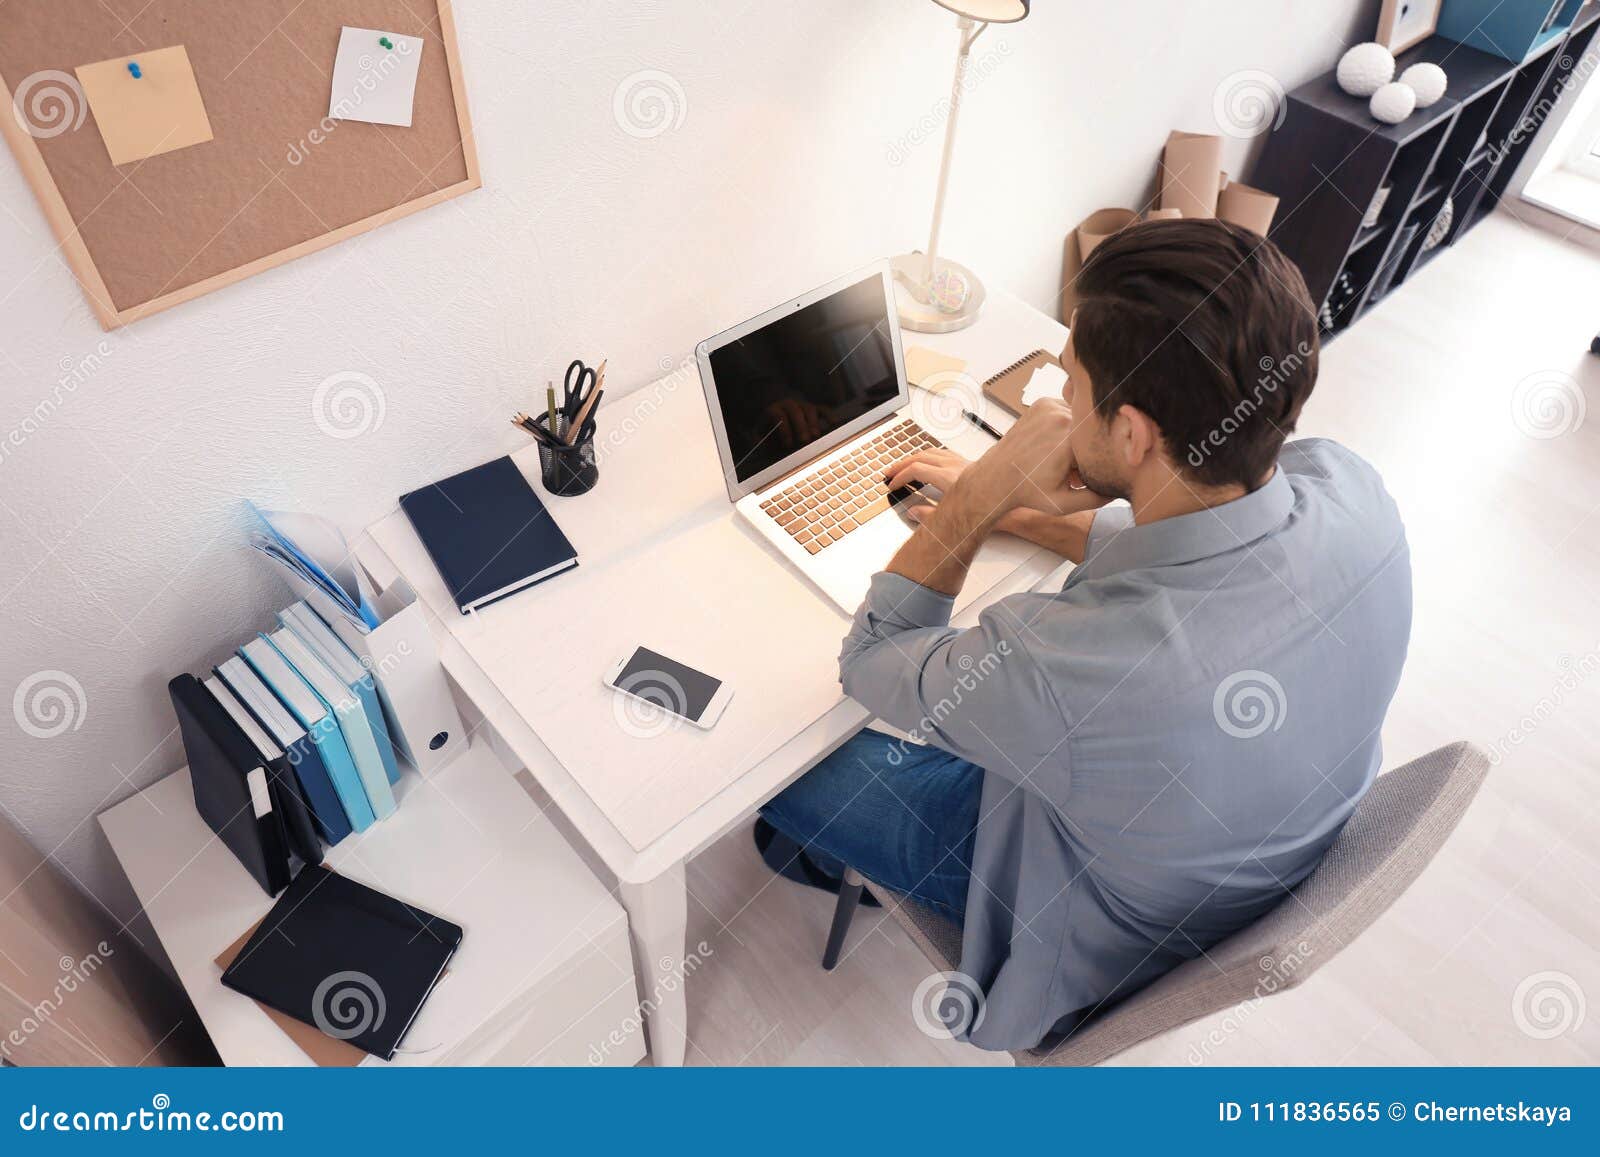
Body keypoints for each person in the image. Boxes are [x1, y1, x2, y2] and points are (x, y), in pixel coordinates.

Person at [756, 218, 1413, 1052]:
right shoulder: (1353, 490)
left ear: (1134, 433)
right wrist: (1040, 513)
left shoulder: (1079, 669)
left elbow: (873, 659)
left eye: (1069, 384)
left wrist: (979, 498)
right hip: (1225, 853)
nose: (1055, 402)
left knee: (775, 769)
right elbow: (1204, 548)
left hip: (1060, 905)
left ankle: (816, 850)